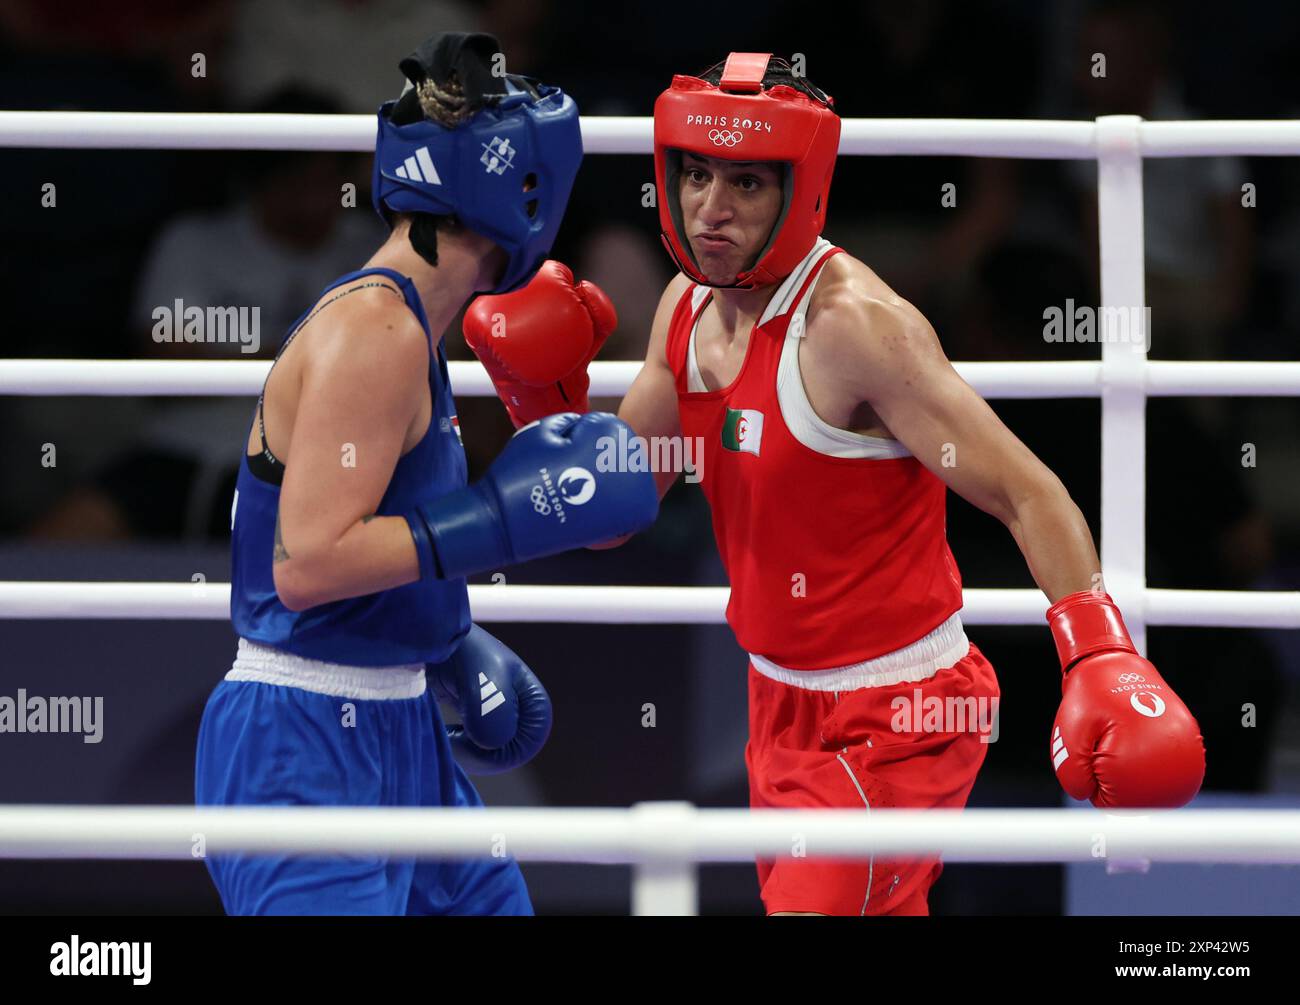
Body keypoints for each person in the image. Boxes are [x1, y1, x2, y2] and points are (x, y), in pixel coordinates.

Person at [465, 52, 1206, 916]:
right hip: (778, 700)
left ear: (799, 189)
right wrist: (544, 410)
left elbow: (1027, 490)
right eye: (697, 175)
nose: (712, 207)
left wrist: (1099, 650)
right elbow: (618, 509)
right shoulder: (685, 310)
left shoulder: (854, 329)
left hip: (903, 713)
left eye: (745, 183)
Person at [194, 31, 657, 916]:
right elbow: (308, 564)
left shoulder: (415, 329)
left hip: (397, 721)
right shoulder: (375, 333)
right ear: (519, 185)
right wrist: (499, 518)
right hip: (304, 744)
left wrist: (442, 634)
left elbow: (376, 525)